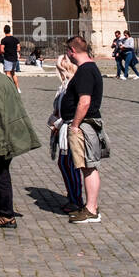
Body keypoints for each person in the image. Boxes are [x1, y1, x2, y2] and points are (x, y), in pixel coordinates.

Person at [0, 54, 40, 228]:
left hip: (1, 140)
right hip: (6, 137)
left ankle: (6, 214)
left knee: (0, 177)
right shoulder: (3, 80)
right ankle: (2, 209)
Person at [61, 36, 105, 225]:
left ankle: (91, 209)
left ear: (72, 51)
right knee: (87, 166)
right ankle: (90, 206)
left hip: (83, 124)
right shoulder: (88, 68)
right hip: (84, 123)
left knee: (87, 167)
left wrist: (75, 125)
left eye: (67, 53)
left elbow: (84, 101)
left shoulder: (86, 71)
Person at [48, 54, 86, 213]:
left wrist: (57, 121)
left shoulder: (73, 84)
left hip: (69, 127)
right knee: (65, 164)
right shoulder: (64, 85)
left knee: (69, 164)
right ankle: (73, 196)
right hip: (62, 126)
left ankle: (76, 199)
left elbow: (71, 108)